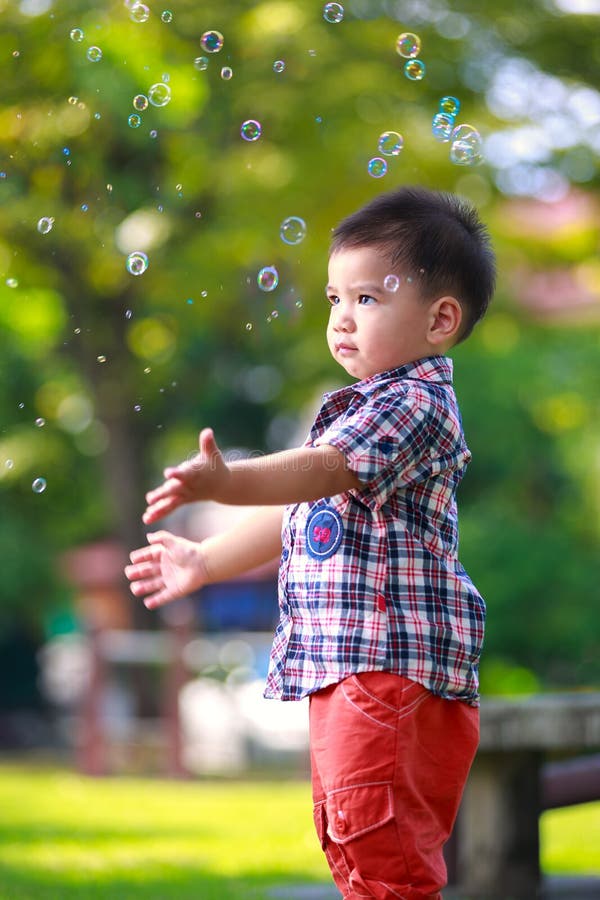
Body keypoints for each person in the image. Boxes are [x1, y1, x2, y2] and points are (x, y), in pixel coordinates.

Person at [125, 186, 496, 900]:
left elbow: (321, 469)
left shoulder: (413, 402)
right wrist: (204, 560)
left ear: (440, 319)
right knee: (361, 852)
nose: (341, 320)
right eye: (334, 298)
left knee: (383, 858)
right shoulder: (369, 408)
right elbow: (301, 504)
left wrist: (228, 481)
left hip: (386, 674)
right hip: (361, 674)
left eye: (366, 299)